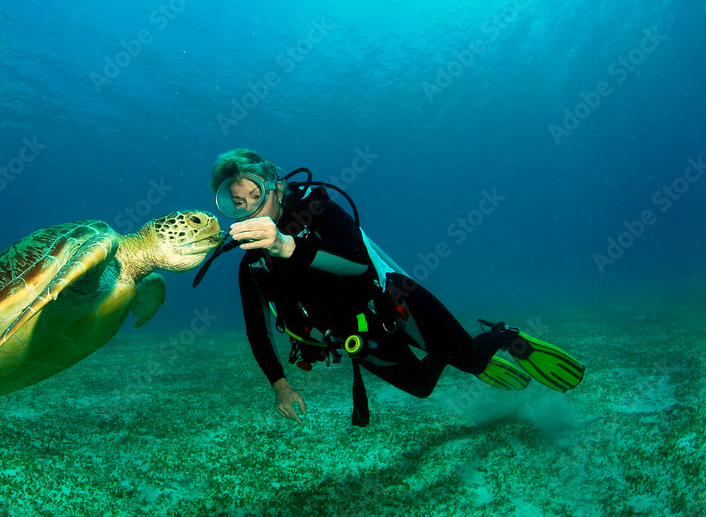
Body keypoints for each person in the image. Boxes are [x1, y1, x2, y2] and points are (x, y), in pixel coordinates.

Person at [204, 149, 584, 426]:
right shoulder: (252, 266)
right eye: (238, 202)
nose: (251, 208)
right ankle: (453, 351)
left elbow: (358, 260)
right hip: (358, 337)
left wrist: (286, 246)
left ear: (277, 188)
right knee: (421, 386)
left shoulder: (316, 211)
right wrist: (280, 386)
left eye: (256, 195)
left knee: (472, 361)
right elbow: (257, 330)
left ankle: (500, 336)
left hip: (394, 301)